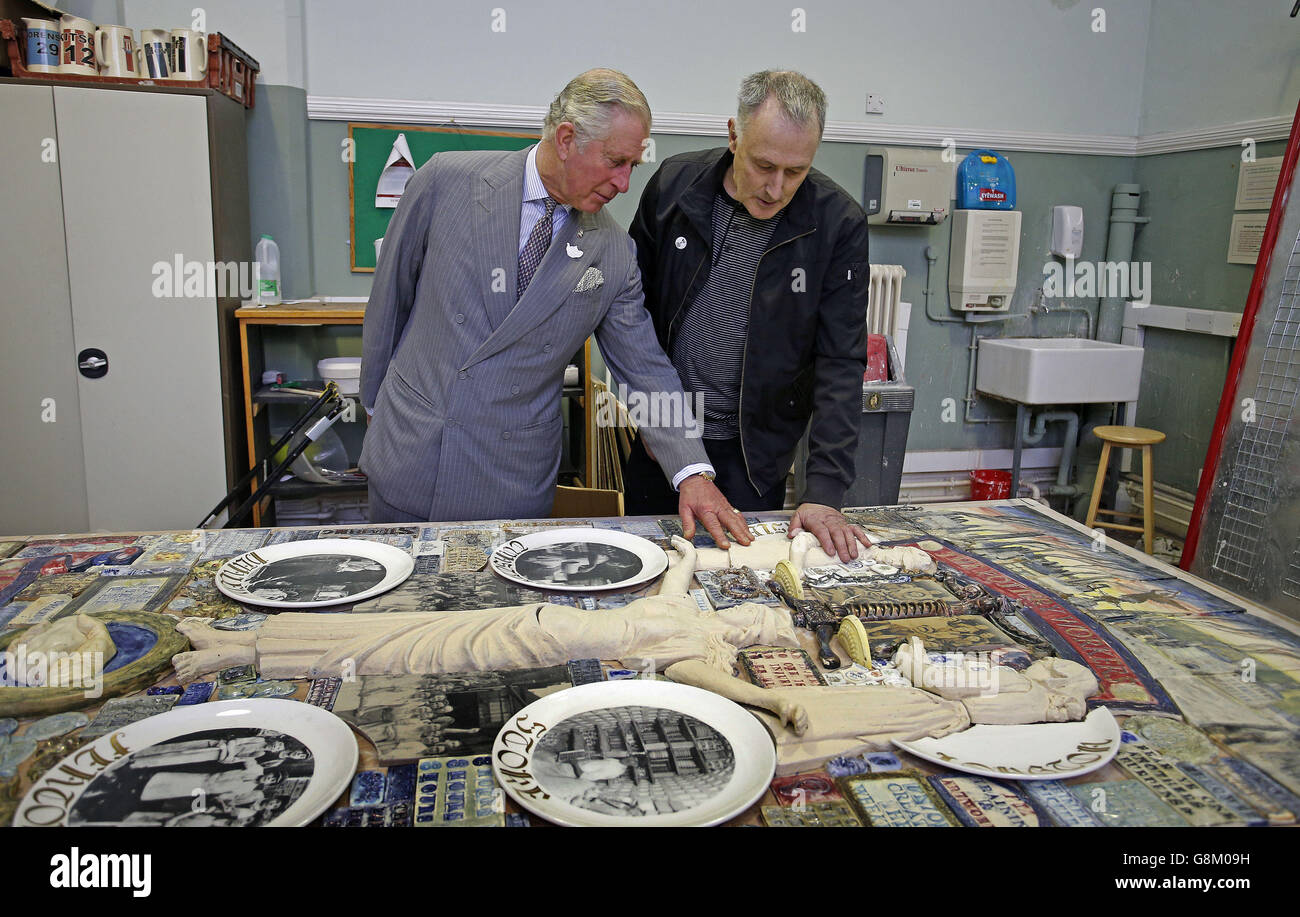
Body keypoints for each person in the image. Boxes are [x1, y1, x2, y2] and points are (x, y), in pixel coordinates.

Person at [360, 68, 750, 549]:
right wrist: (379, 408)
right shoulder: (445, 181)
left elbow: (645, 367)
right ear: (566, 138)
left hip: (510, 485)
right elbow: (388, 301)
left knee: (501, 621)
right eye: (615, 161)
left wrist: (692, 473)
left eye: (633, 166)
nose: (625, 183)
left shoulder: (612, 252)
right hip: (411, 457)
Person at [624, 70, 872, 561]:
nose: (776, 188)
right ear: (733, 135)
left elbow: (841, 363)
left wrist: (823, 490)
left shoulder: (838, 223)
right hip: (666, 443)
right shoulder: (674, 186)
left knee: (738, 585)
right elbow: (630, 318)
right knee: (648, 579)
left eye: (796, 172)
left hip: (754, 455)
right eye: (763, 165)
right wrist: (656, 422)